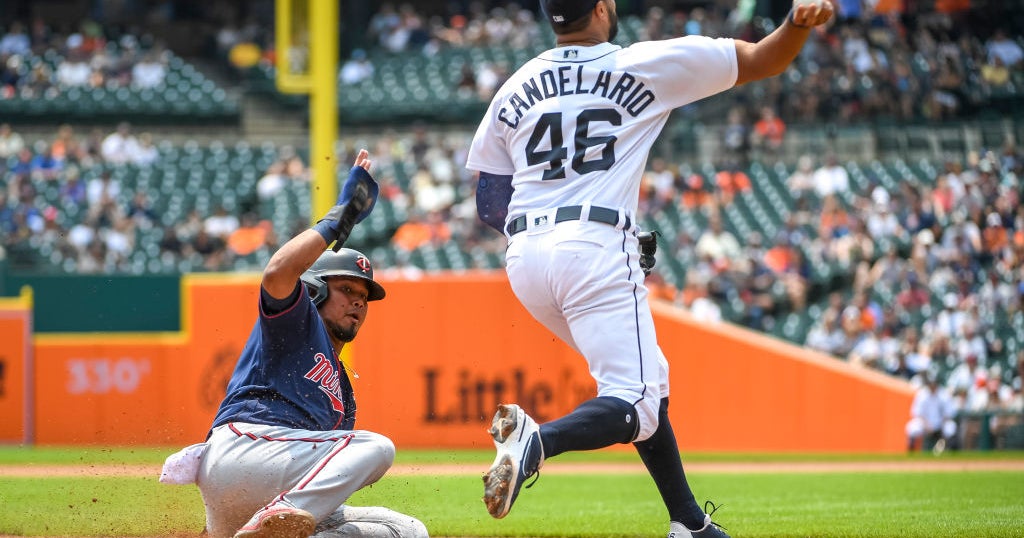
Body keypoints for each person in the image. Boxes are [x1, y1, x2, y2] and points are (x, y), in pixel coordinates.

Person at [465, 1, 833, 537]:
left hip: (525, 259)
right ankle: (536, 442)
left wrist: (550, 233)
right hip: (592, 247)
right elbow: (761, 60)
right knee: (638, 401)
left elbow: (490, 202)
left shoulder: (514, 86)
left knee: (647, 385)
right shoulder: (640, 63)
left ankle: (690, 523)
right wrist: (797, 24)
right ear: (600, 7)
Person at [159, 150, 428, 538]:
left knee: (407, 531)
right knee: (378, 446)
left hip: (263, 483)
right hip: (247, 448)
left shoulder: (341, 387)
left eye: (364, 298)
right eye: (347, 289)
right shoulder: (296, 320)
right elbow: (278, 272)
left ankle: (273, 522)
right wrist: (338, 220)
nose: (357, 301)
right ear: (315, 289)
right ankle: (284, 513)